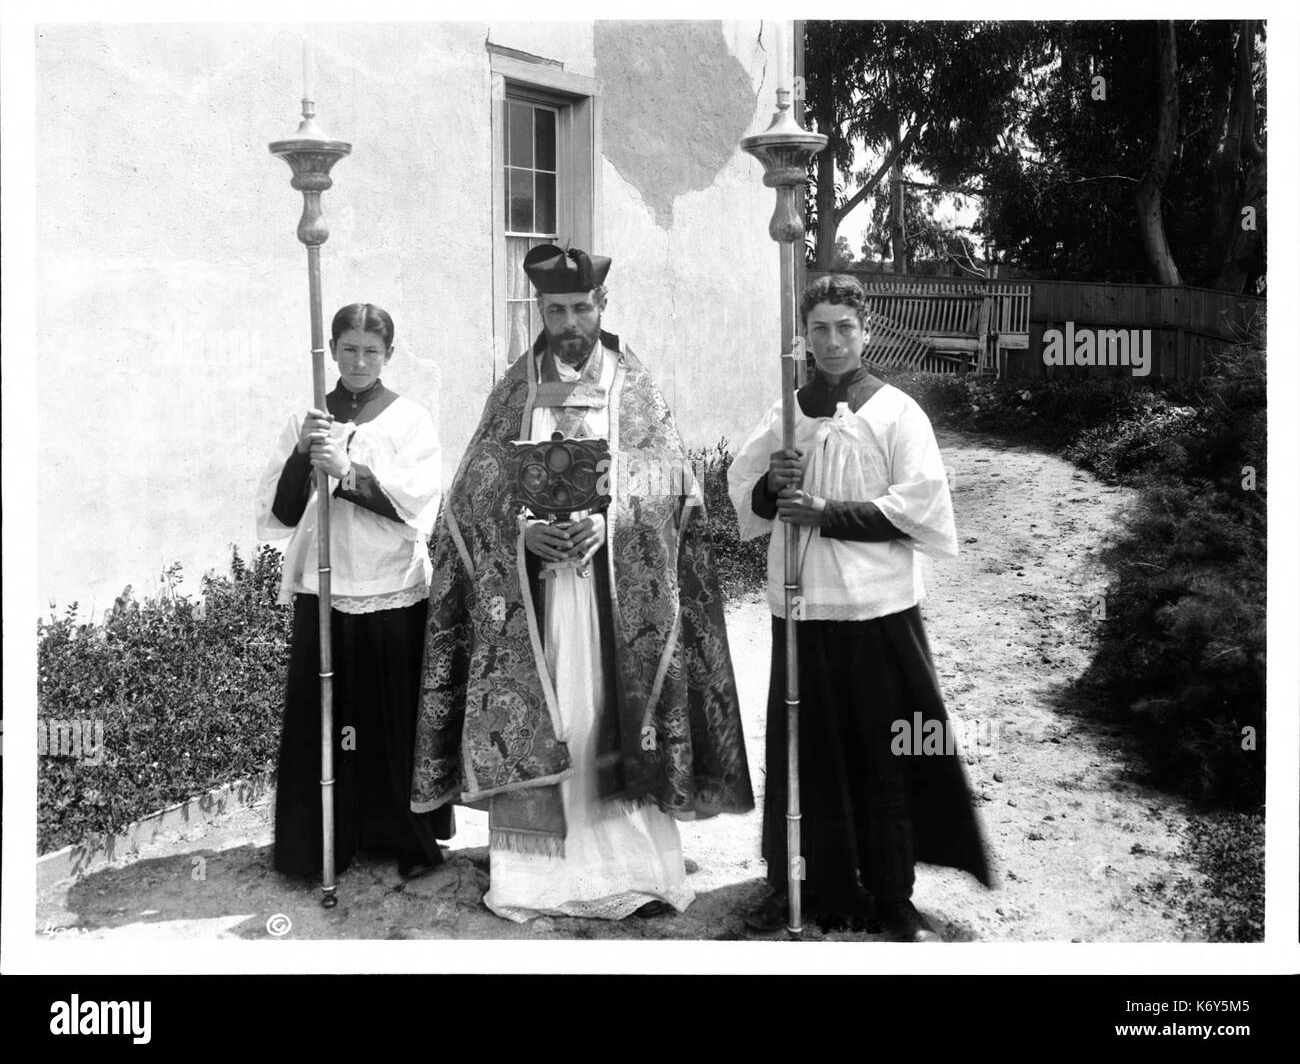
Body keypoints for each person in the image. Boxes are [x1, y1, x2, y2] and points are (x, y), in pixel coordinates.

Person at [411, 245, 753, 922]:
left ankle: (630, 867)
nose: (569, 320)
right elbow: (472, 497)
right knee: (553, 713)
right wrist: (521, 535)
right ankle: (535, 879)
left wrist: (612, 526)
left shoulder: (635, 385)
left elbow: (671, 485)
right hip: (538, 599)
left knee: (607, 715)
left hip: (611, 597)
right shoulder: (515, 390)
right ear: (540, 309)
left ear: (602, 306)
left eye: (581, 307)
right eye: (556, 308)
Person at [727, 273, 993, 940]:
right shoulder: (787, 411)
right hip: (804, 602)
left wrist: (827, 512)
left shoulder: (898, 412)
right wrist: (770, 485)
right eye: (820, 328)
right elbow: (743, 492)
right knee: (807, 748)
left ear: (866, 330)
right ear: (805, 337)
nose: (833, 340)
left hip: (879, 608)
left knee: (884, 747)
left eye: (846, 326)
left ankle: (892, 891)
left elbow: (921, 507)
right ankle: (803, 881)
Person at [256, 302, 453, 881]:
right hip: (327, 587)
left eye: (372, 351)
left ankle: (405, 840)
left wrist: (347, 469)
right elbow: (284, 512)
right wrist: (304, 455)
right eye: (348, 349)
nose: (359, 361)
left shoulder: (411, 419)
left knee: (390, 718)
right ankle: (325, 842)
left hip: (391, 587)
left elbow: (417, 505)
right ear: (332, 350)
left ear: (389, 355)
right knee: (332, 720)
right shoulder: (308, 418)